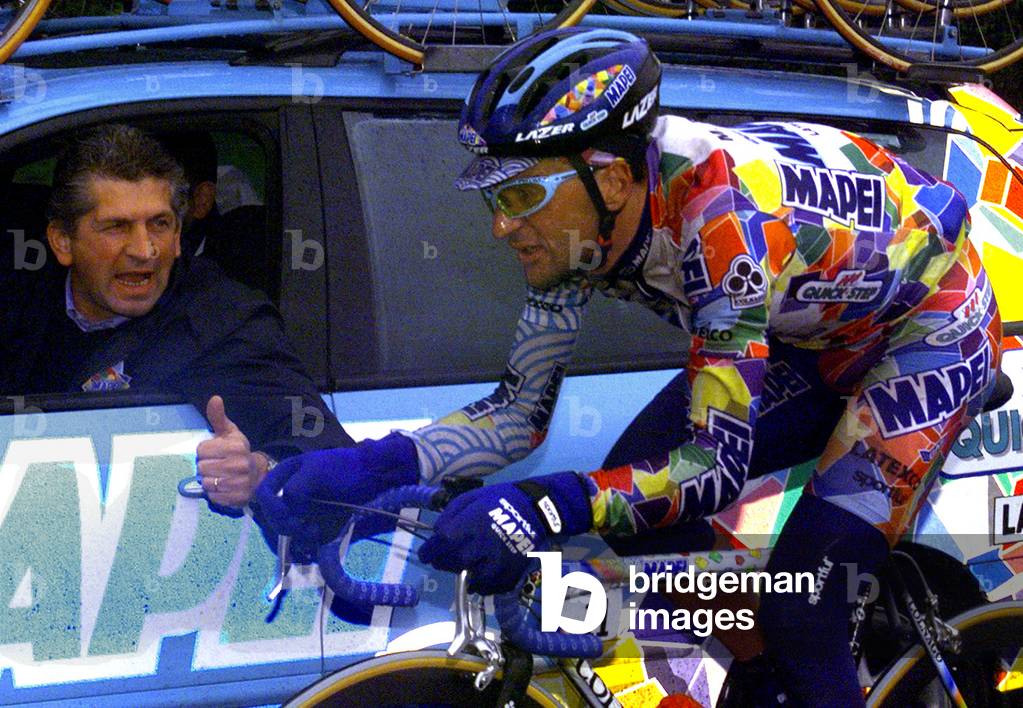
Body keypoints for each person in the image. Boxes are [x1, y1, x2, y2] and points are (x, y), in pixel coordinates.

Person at [255, 29, 1002, 705]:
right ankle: (763, 666)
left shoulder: (722, 228)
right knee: (640, 513)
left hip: (925, 331)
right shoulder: (576, 223)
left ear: (611, 180)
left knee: (805, 603)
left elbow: (709, 467)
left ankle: (798, 647)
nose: (501, 225)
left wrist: (545, 507)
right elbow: (519, 411)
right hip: (814, 330)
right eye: (494, 197)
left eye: (519, 196)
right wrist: (368, 466)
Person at [0, 123, 352, 513]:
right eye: (117, 226)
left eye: (159, 224)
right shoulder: (16, 290)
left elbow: (334, 456)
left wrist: (260, 471)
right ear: (63, 242)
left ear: (179, 233)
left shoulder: (221, 322)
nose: (145, 249)